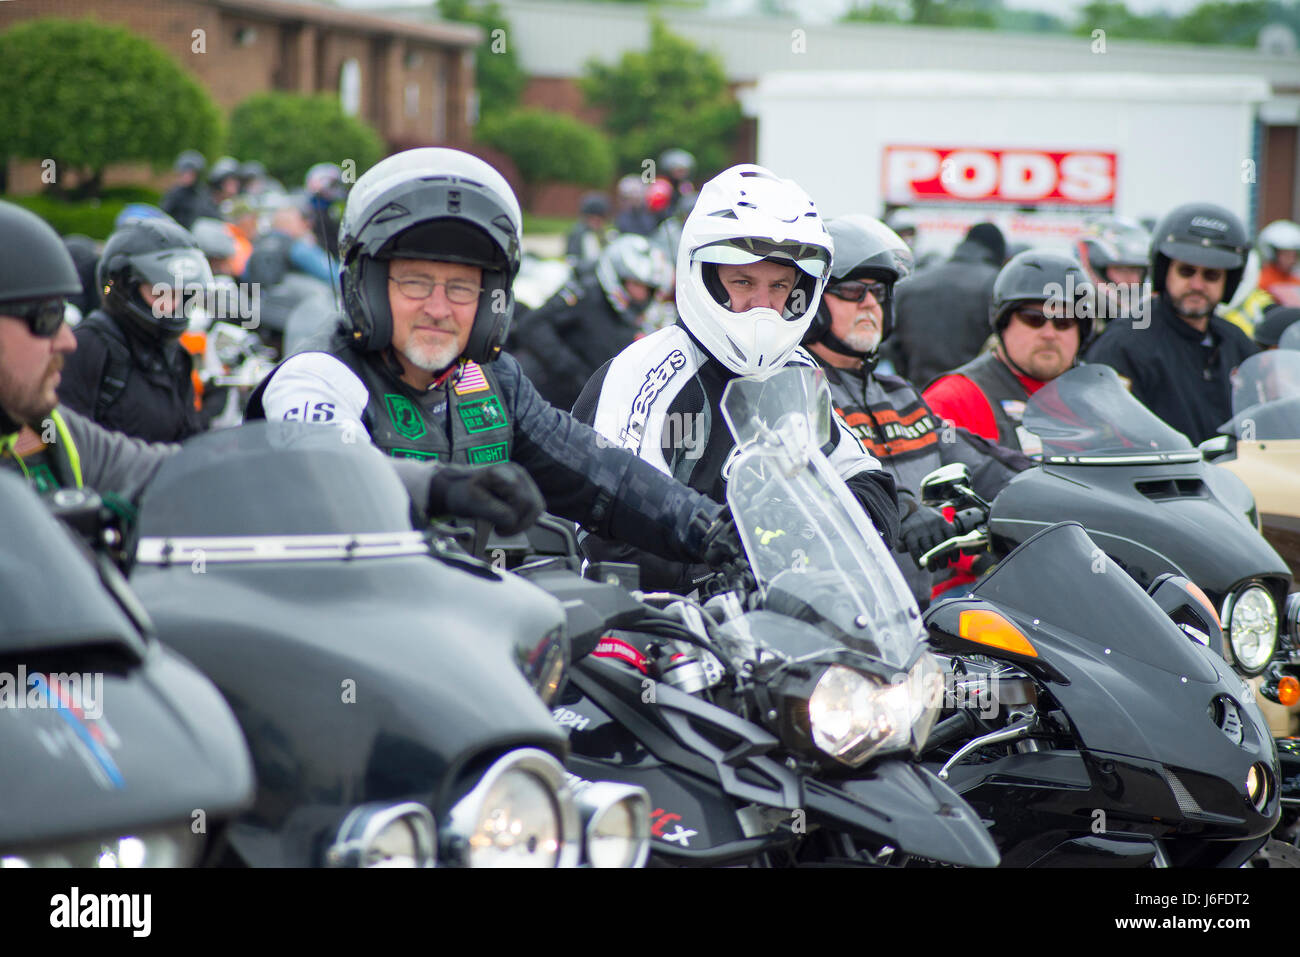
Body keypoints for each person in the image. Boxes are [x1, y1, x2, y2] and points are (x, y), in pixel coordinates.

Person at [246, 148, 742, 569]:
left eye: (462, 287)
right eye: (415, 281)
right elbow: (323, 476)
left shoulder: (489, 380)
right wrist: (443, 488)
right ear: (369, 285)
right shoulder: (319, 377)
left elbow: (598, 473)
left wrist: (709, 530)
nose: (439, 309)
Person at [0, 199, 546, 534]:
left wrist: (438, 486)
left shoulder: (60, 438)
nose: (66, 339)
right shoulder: (96, 352)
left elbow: (207, 475)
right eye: (46, 317)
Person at [574, 164, 901, 592]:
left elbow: (869, 486)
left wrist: (801, 535)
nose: (762, 304)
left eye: (780, 286)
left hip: (767, 625)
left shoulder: (797, 371)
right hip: (651, 627)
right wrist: (715, 570)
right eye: (743, 281)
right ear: (704, 274)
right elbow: (611, 530)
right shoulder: (647, 370)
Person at [803, 214, 1027, 605]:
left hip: (917, 619)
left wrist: (1048, 483)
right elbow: (826, 481)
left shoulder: (900, 394)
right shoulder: (800, 391)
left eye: (879, 292)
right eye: (854, 290)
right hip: (840, 618)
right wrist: (905, 511)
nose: (870, 303)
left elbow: (979, 459)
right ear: (813, 302)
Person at [1086, 202, 1259, 445]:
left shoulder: (1237, 344)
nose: (1197, 285)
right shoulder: (1125, 345)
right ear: (1164, 270)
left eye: (1211, 275)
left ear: (1229, 281)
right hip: (1164, 480)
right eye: (1186, 271)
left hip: (1235, 479)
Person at [924, 250, 1093, 454]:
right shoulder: (953, 401)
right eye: (1034, 319)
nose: (1049, 334)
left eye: (1063, 322)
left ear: (1081, 331)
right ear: (1004, 324)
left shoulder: (1099, 399)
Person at [58, 219, 211, 443]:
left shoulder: (175, 355)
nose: (170, 306)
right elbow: (67, 446)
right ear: (125, 287)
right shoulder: (87, 348)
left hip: (167, 476)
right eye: (160, 294)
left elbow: (188, 439)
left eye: (179, 295)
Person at [511, 233, 671, 412]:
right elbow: (531, 325)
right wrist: (573, 370)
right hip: (546, 398)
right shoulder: (583, 295)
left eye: (647, 289)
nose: (641, 295)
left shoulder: (639, 319)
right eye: (636, 285)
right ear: (618, 276)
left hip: (588, 408)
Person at [889, 222, 1007, 387]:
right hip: (974, 396)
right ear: (998, 252)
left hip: (919, 395)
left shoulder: (911, 285)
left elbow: (893, 345)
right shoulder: (996, 285)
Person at [160, 150, 221, 229]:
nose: (187, 177)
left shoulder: (202, 194)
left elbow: (211, 215)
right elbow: (163, 213)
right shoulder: (174, 193)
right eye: (185, 173)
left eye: (191, 174)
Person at [565, 193, 614, 273]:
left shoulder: (602, 234)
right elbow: (572, 261)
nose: (599, 222)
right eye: (595, 219)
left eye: (601, 219)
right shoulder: (578, 234)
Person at [1256, 220, 1300, 307]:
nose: (1291, 260)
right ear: (1274, 254)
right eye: (1286, 254)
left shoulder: (1296, 280)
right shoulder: (1261, 280)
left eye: (1294, 255)